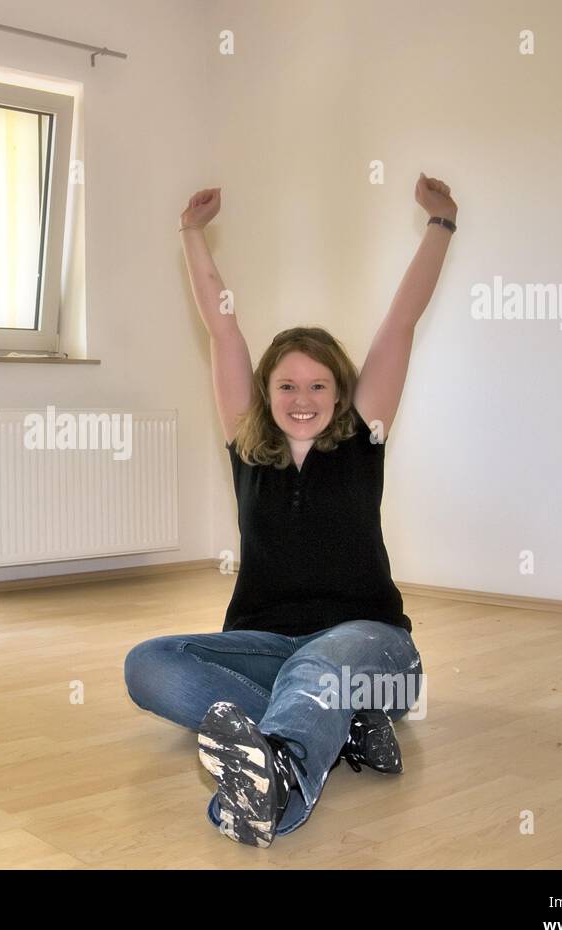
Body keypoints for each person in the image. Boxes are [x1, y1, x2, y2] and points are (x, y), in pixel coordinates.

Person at [123, 174, 457, 847]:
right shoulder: (249, 449)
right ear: (265, 392)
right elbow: (222, 328)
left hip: (373, 647)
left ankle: (278, 779)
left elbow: (400, 321)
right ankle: (335, 729)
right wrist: (191, 232)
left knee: (325, 664)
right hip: (268, 647)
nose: (301, 397)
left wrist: (441, 224)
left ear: (340, 393)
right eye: (285, 384)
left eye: (318, 385)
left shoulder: (365, 440)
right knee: (150, 664)